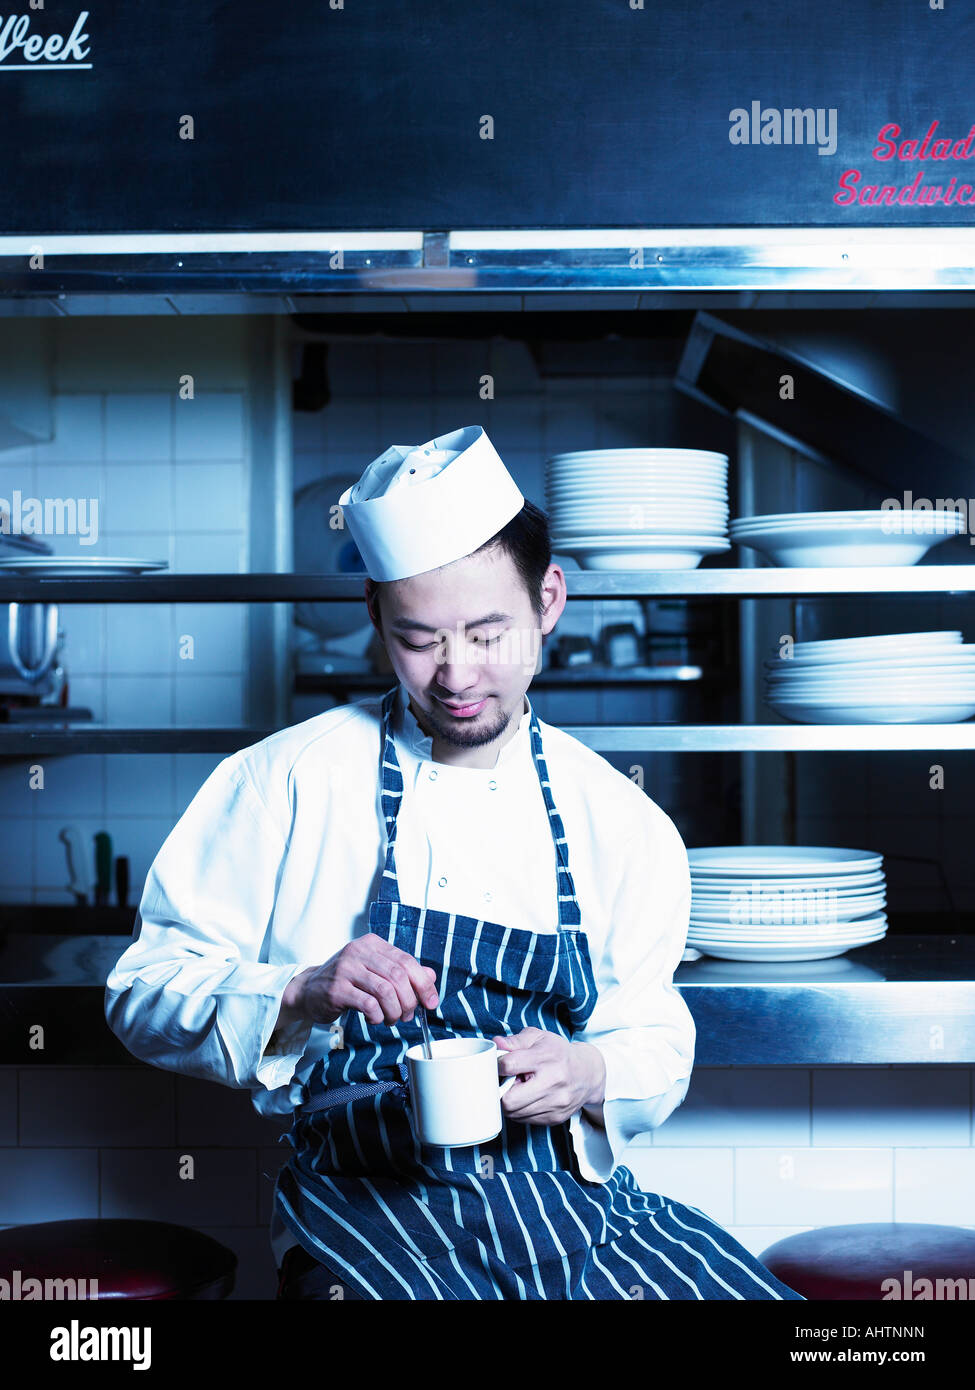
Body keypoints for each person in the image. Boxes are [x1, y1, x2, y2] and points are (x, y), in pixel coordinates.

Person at [105, 424, 803, 1302]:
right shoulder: (279, 782)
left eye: (487, 632)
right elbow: (141, 992)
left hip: (567, 1211)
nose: (456, 674)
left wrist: (590, 1072)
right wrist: (299, 989)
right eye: (419, 639)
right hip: (365, 1214)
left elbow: (653, 1036)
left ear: (549, 598)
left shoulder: (619, 820)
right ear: (375, 618)